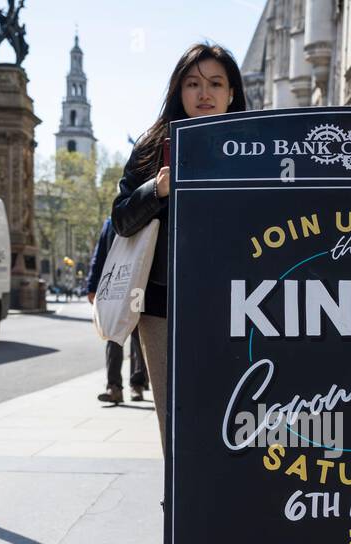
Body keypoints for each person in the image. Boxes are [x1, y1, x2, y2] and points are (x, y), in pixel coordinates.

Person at [111, 43, 246, 443]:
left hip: (239, 307)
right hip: (163, 306)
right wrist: (158, 188)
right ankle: (178, 505)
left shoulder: (254, 145)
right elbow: (121, 219)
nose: (204, 93)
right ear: (178, 90)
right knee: (176, 427)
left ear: (231, 93)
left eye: (215, 83)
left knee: (230, 418)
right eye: (193, 83)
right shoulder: (152, 146)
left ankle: (224, 504)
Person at [85, 216, 149, 404]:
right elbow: (100, 255)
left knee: (138, 334)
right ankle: (113, 387)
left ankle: (137, 384)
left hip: (138, 287)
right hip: (116, 287)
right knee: (113, 333)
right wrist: (92, 285)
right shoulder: (111, 221)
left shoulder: (146, 213)